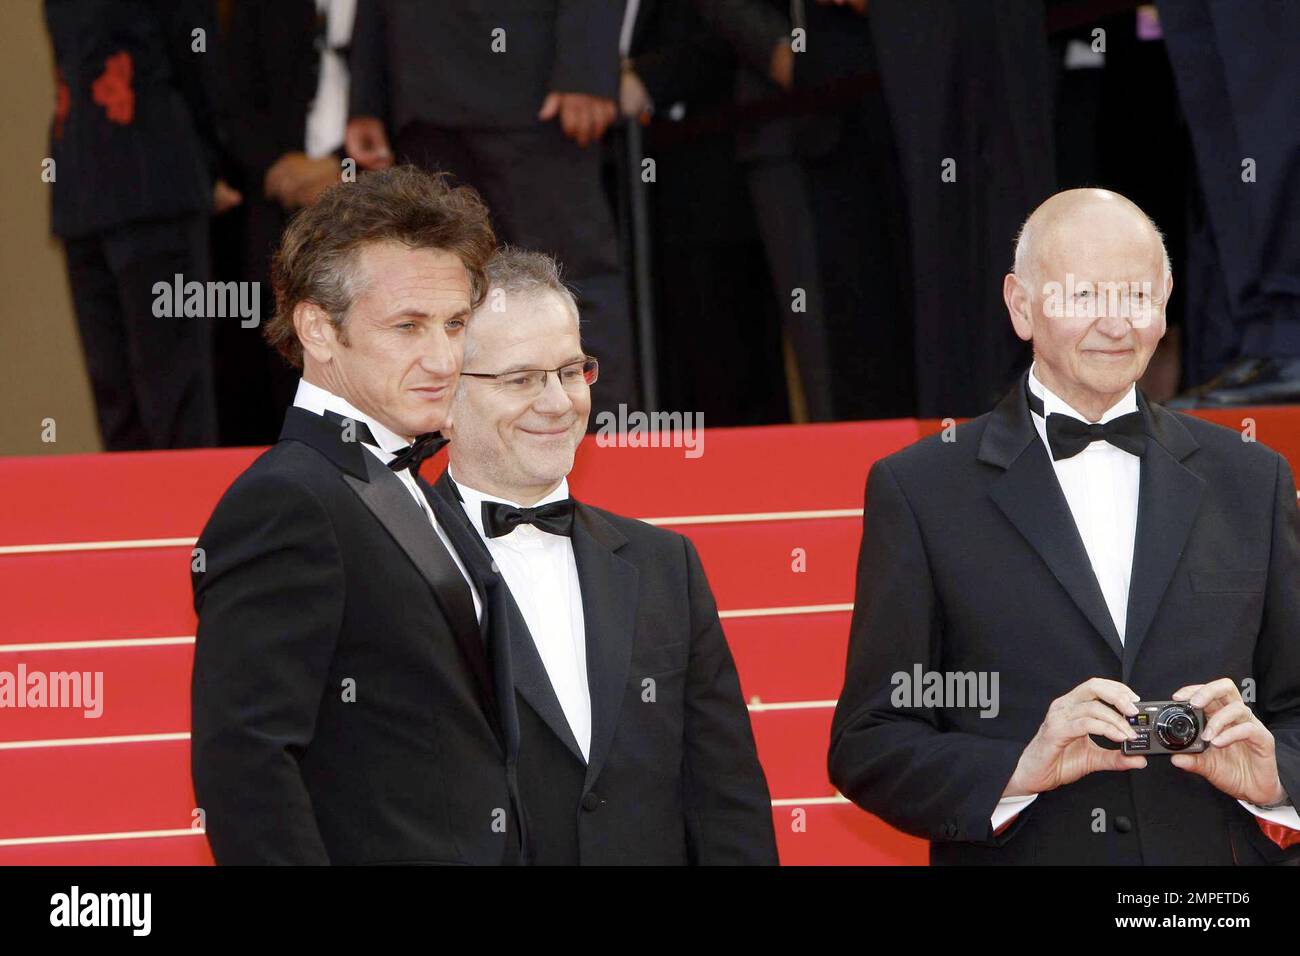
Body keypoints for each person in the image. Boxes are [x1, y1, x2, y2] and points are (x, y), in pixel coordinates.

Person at [829, 188, 1300, 864]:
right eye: (1083, 296)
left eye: (1137, 296)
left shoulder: (1253, 478)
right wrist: (1019, 770)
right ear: (1021, 306)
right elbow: (868, 742)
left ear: (1166, 299)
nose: (1115, 324)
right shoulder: (922, 489)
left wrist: (1276, 774)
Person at [190, 166, 521, 864]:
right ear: (317, 327)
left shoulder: (405, 486)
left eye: (455, 323)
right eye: (407, 326)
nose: (442, 357)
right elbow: (247, 765)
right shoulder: (287, 501)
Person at [428, 247, 778, 864]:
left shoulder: (666, 565)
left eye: (570, 371)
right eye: (521, 378)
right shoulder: (393, 562)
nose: (559, 402)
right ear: (445, 398)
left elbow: (727, 805)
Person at [345, 0, 640, 418]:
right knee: (437, 293)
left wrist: (586, 67)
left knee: (570, 281)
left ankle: (601, 444)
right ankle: (444, 449)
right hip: (421, 92)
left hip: (537, 94)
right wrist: (367, 96)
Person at [44, 0, 227, 450]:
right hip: (136, 186)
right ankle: (159, 516)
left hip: (104, 186)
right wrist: (214, 161)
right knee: (155, 385)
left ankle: (168, 515)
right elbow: (200, 66)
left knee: (141, 389)